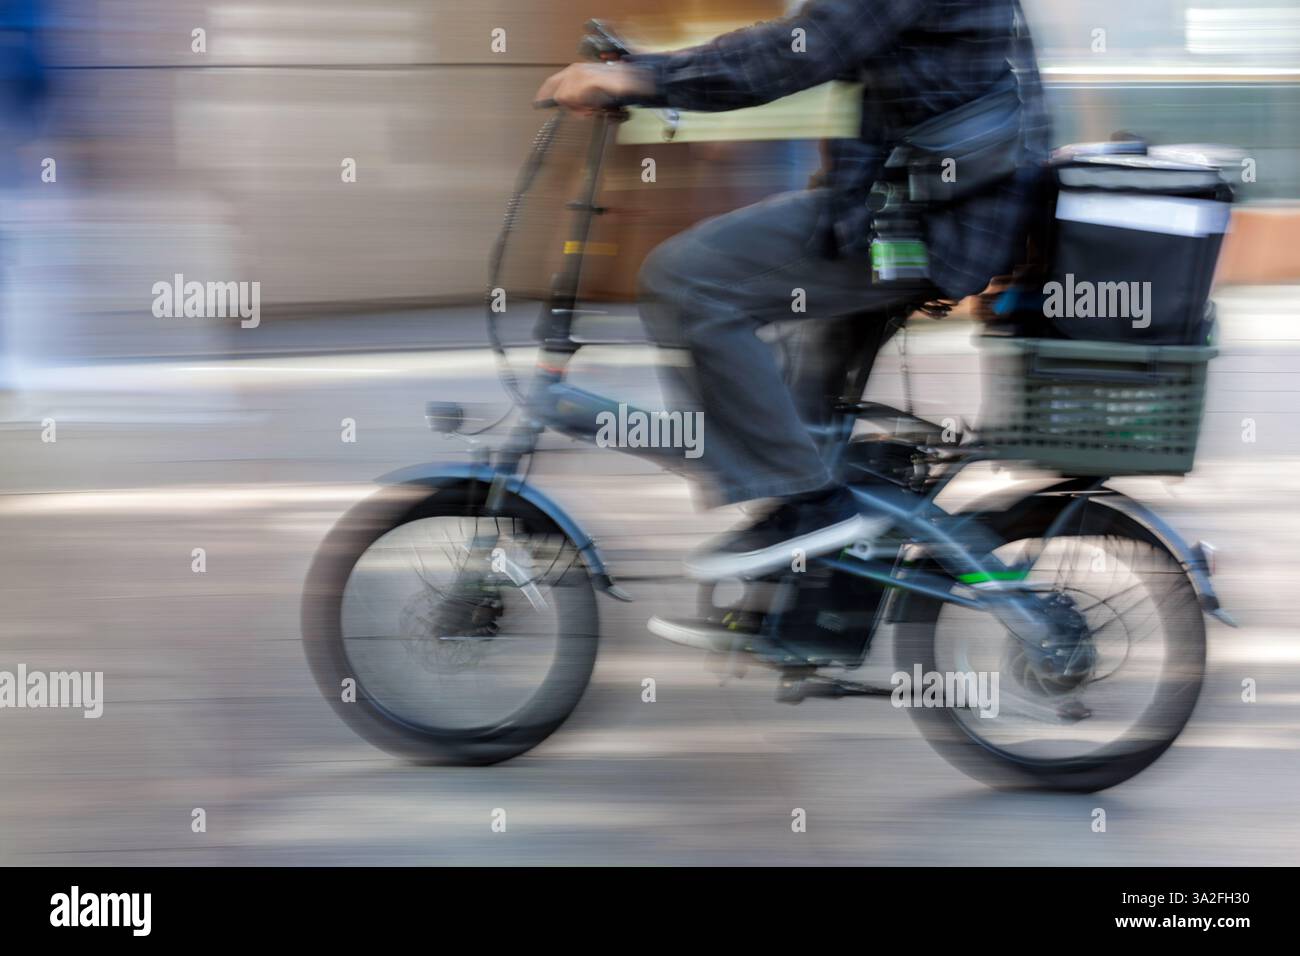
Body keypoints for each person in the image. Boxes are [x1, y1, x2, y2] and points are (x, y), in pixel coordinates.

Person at [535, 0, 1050, 582]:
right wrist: (648, 70)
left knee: (687, 277)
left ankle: (809, 505)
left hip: (920, 227)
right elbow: (805, 37)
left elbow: (799, 50)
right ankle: (803, 599)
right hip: (926, 209)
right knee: (789, 399)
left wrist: (638, 78)